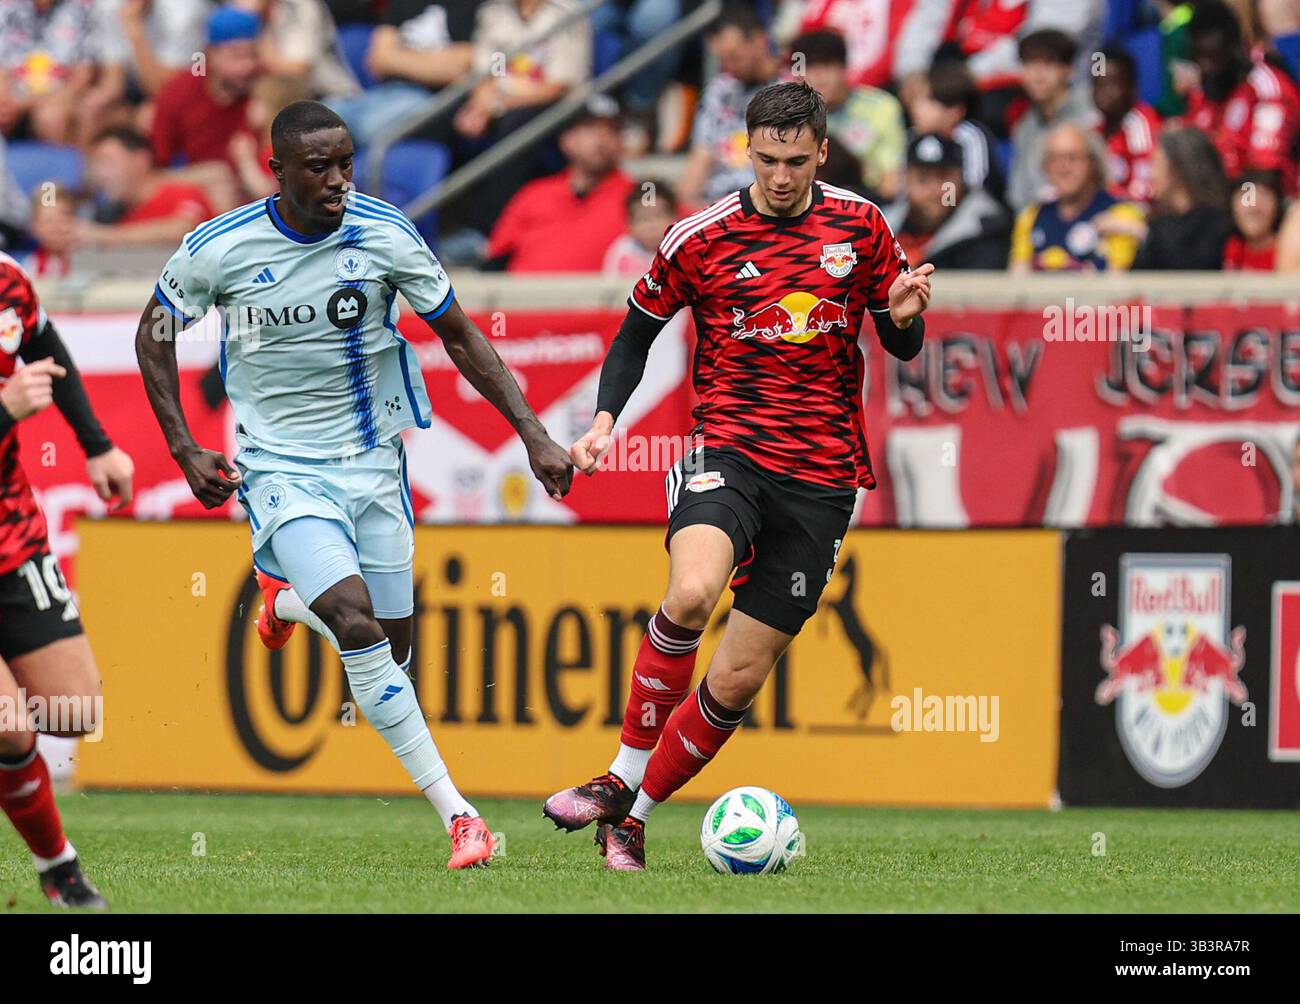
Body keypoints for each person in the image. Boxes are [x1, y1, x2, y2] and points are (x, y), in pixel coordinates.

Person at [134, 100, 573, 869]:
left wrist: (533, 432)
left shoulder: (386, 232)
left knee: (390, 654)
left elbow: (461, 335)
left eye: (345, 162)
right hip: (279, 467)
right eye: (319, 167)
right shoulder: (221, 248)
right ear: (278, 171)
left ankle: (287, 604)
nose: (339, 180)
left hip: (374, 463)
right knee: (359, 624)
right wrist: (183, 447)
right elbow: (155, 332)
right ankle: (462, 818)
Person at [542, 82, 934, 871]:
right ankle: (618, 775)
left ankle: (635, 816)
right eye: (765, 159)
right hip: (728, 450)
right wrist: (605, 420)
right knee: (690, 593)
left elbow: (901, 347)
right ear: (745, 150)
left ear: (822, 151)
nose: (780, 176)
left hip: (824, 477)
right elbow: (635, 336)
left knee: (737, 678)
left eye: (796, 160)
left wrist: (902, 314)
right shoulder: (701, 235)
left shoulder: (862, 227)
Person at [0, 249, 135, 908]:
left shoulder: (8, 280)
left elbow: (47, 346)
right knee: (7, 725)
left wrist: (96, 443)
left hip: (10, 538)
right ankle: (60, 868)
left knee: (73, 710)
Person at [485, 96, 635, 273]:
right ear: (566, 140)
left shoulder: (639, 196)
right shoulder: (533, 194)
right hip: (527, 298)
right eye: (589, 128)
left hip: (604, 299)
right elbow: (496, 256)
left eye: (612, 130)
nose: (601, 138)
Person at [1186, 0, 1300, 195]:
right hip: (1221, 204)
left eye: (1213, 58)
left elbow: (1265, 174)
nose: (1207, 68)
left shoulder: (1267, 89)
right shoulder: (1204, 95)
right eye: (1200, 58)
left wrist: (1233, 213)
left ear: (1236, 46)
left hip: (1269, 200)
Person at [327, 0, 477, 148]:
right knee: (319, 115)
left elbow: (459, 68)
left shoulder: (473, 6)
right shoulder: (404, 3)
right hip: (384, 94)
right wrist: (436, 63)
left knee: (361, 127)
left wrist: (398, 58)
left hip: (435, 101)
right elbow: (377, 60)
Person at [676, 4, 781, 207]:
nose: (730, 67)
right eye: (723, 60)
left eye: (735, 57)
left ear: (759, 40)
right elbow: (698, 165)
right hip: (720, 207)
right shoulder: (720, 90)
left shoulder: (792, 87)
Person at [1009, 123, 1144, 273]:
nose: (1063, 167)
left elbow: (1116, 284)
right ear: (1044, 166)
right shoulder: (1030, 217)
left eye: (1073, 158)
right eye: (1054, 159)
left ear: (1093, 164)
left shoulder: (1120, 215)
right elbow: (1017, 280)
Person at [793, 30, 905, 201]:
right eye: (809, 68)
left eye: (827, 66)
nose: (819, 77)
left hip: (866, 200)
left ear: (844, 67)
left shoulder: (882, 108)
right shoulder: (790, 117)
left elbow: (891, 184)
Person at [150, 6, 261, 176]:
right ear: (211, 54)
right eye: (237, 56)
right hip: (193, 189)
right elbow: (159, 164)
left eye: (253, 55)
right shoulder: (180, 91)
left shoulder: (265, 88)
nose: (248, 66)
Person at [885, 133, 1013, 270]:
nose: (934, 191)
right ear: (905, 181)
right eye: (923, 179)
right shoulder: (881, 226)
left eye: (943, 178)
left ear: (961, 180)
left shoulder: (988, 233)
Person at [82, 127, 216, 248]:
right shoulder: (121, 215)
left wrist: (99, 234)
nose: (102, 174)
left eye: (109, 162)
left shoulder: (183, 193)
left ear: (141, 160)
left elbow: (182, 231)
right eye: (98, 165)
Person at [1006, 29, 1093, 212]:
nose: (1037, 75)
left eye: (1047, 64)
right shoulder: (1025, 125)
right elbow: (1018, 194)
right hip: (1034, 223)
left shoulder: (1090, 112)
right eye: (1029, 64)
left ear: (1068, 69)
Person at [1128, 127, 1231, 270]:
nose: (1151, 174)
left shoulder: (1217, 223)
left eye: (1156, 164)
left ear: (1178, 169)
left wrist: (1144, 233)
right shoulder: (1158, 224)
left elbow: (1195, 269)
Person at [906, 59, 1006, 203]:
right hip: (925, 217)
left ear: (955, 111)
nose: (916, 109)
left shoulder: (970, 137)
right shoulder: (912, 138)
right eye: (916, 100)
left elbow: (976, 188)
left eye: (928, 101)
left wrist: (944, 204)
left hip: (967, 215)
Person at [1091, 46, 1162, 204]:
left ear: (1132, 87)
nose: (1103, 92)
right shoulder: (1094, 132)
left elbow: (1146, 190)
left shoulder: (1140, 124)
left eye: (1111, 83)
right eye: (1098, 84)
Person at [602, 179, 679, 278]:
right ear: (629, 225)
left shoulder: (682, 250)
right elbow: (610, 285)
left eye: (658, 216)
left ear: (674, 217)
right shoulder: (621, 252)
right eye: (643, 218)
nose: (651, 225)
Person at [1223, 168, 1283, 270]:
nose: (1254, 207)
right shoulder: (1230, 248)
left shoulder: (1289, 251)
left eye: (1264, 196)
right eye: (1246, 198)